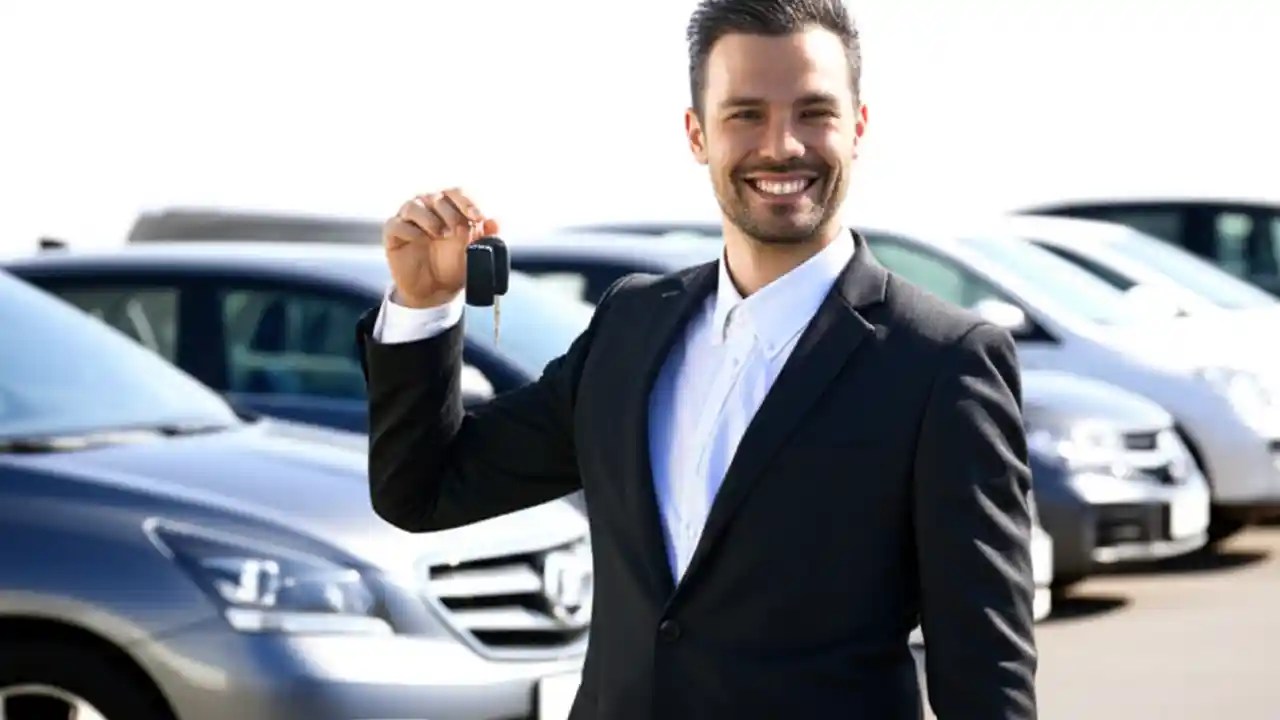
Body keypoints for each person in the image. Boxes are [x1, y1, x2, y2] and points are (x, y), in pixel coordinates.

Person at [355, 0, 1038, 717]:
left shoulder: (940, 364)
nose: (783, 145)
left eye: (814, 112)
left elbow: (985, 676)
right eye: (745, 114)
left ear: (858, 127)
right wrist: (424, 304)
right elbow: (425, 490)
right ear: (697, 134)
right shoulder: (632, 325)